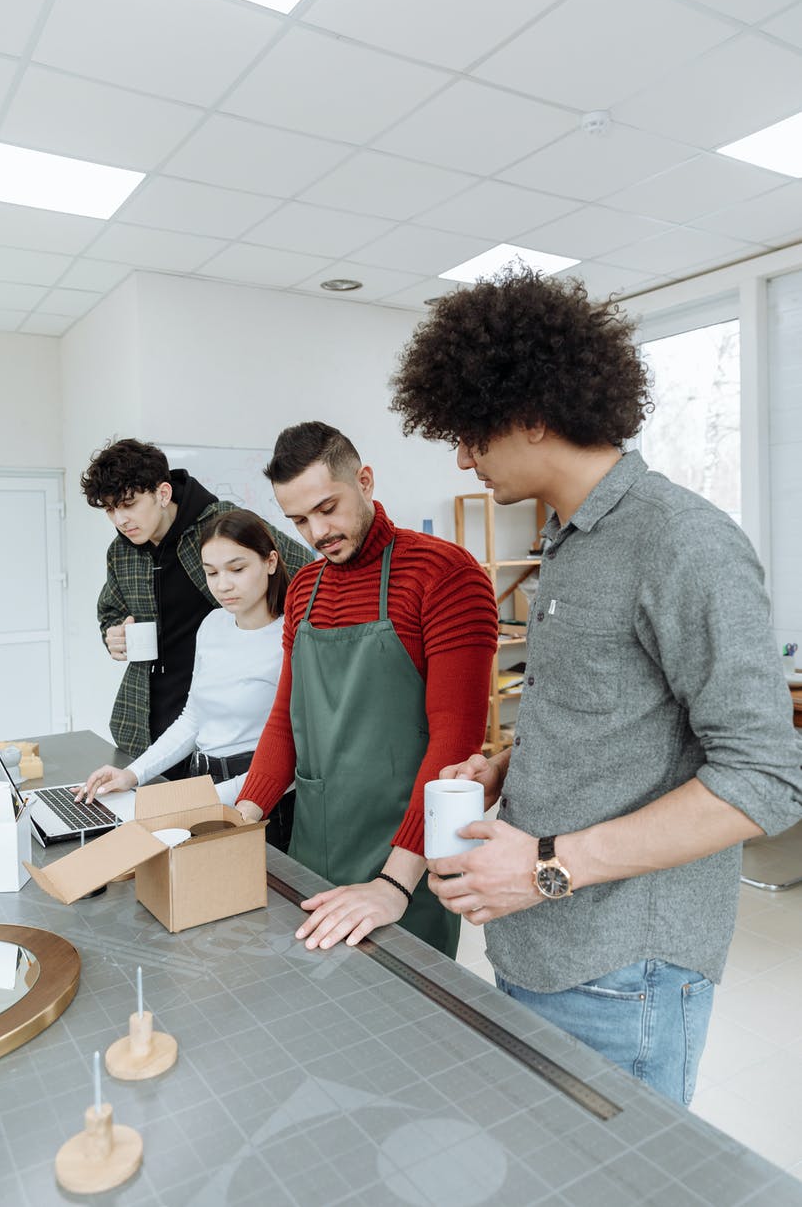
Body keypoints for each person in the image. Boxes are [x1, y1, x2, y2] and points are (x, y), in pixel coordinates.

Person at [389, 265, 802, 1105]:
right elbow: (613, 716)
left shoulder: (682, 541)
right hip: (539, 940)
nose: (462, 459)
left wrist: (546, 866)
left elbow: (766, 777)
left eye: (470, 434)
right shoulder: (571, 538)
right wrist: (514, 770)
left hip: (624, 967)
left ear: (534, 415)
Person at [236, 421, 498, 956]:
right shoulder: (304, 589)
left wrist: (395, 883)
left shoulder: (445, 576)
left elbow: (455, 740)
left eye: (328, 508)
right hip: (312, 848)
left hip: (405, 856)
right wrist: (241, 818)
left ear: (366, 481)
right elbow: (286, 719)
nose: (317, 533)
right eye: (299, 520)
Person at [81, 438, 311, 774]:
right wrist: (113, 633)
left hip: (221, 719)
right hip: (145, 721)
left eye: (128, 504)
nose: (120, 519)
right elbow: (111, 609)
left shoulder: (218, 526)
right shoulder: (121, 551)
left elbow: (305, 571)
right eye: (110, 509)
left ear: (162, 494)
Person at [77, 510, 295, 849]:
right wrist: (132, 774)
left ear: (270, 562)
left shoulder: (291, 637)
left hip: (263, 797)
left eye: (237, 569)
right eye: (211, 573)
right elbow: (191, 720)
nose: (223, 585)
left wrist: (199, 798)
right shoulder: (212, 625)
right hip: (203, 781)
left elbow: (293, 749)